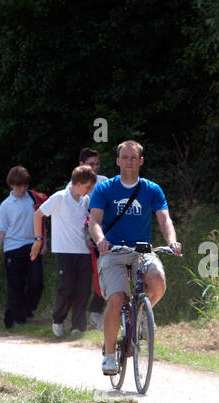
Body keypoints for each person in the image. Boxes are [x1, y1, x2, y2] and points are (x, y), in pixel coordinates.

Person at [87, 140, 181, 376]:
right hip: (113, 251)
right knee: (117, 297)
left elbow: (164, 218)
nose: (129, 161)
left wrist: (171, 241)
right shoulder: (104, 189)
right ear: (118, 161)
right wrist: (101, 241)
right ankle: (109, 356)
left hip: (142, 250)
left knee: (157, 279)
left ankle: (139, 317)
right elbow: (94, 222)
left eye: (133, 157)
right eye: (124, 157)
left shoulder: (152, 189)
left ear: (140, 161)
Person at [34, 164, 98, 336]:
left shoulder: (85, 201)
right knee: (67, 289)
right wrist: (38, 239)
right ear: (78, 184)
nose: (89, 190)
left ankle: (78, 327)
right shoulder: (59, 198)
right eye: (87, 186)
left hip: (84, 251)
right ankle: (58, 319)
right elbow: (38, 214)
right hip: (64, 251)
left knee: (84, 290)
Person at [0, 165, 45, 329]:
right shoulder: (6, 205)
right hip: (13, 248)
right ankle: (16, 320)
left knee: (37, 283)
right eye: (19, 185)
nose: (22, 188)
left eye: (25, 185)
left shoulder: (33, 199)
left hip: (33, 245)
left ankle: (27, 310)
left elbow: (42, 221)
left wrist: (44, 241)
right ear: (12, 185)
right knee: (15, 286)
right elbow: (0, 231)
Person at [71, 147, 111, 330]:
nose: (95, 167)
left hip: (105, 237)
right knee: (86, 282)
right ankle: (78, 320)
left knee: (106, 275)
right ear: (81, 165)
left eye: (97, 164)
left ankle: (97, 313)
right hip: (82, 242)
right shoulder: (74, 187)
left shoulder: (105, 182)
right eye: (90, 164)